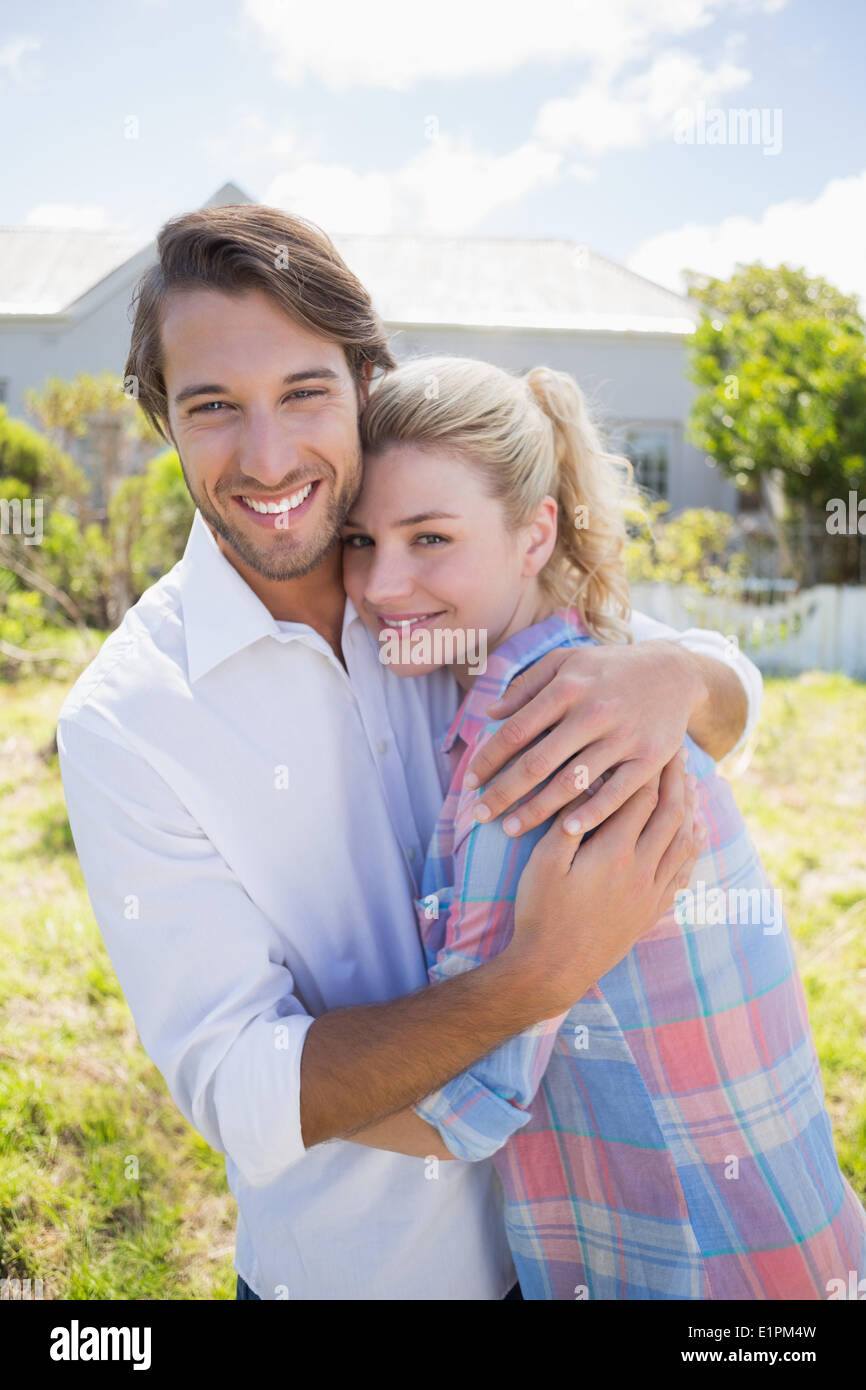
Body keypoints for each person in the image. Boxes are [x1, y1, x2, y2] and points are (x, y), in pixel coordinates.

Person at [57, 203, 762, 1301]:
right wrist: (537, 976)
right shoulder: (128, 718)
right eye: (212, 407)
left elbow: (718, 700)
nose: (269, 454)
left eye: (303, 390)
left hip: (587, 1245)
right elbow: (241, 1087)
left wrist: (679, 677)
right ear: (162, 420)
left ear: (363, 382)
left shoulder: (431, 577)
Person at [340, 353, 866, 1300]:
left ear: (537, 532)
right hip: (785, 1237)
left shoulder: (532, 744)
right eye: (358, 540)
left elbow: (462, 1111)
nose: (382, 585)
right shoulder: (599, 661)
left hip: (696, 1266)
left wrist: (237, 1082)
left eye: (428, 539)